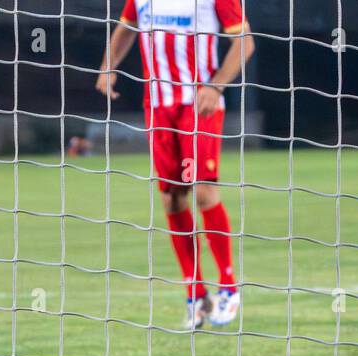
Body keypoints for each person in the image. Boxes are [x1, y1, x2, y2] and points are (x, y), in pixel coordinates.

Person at [96, 1, 255, 330]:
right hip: (158, 106)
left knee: (202, 191)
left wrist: (216, 86)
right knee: (172, 197)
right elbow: (126, 28)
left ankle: (229, 288)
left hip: (199, 103)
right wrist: (108, 66)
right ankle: (196, 294)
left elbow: (245, 42)